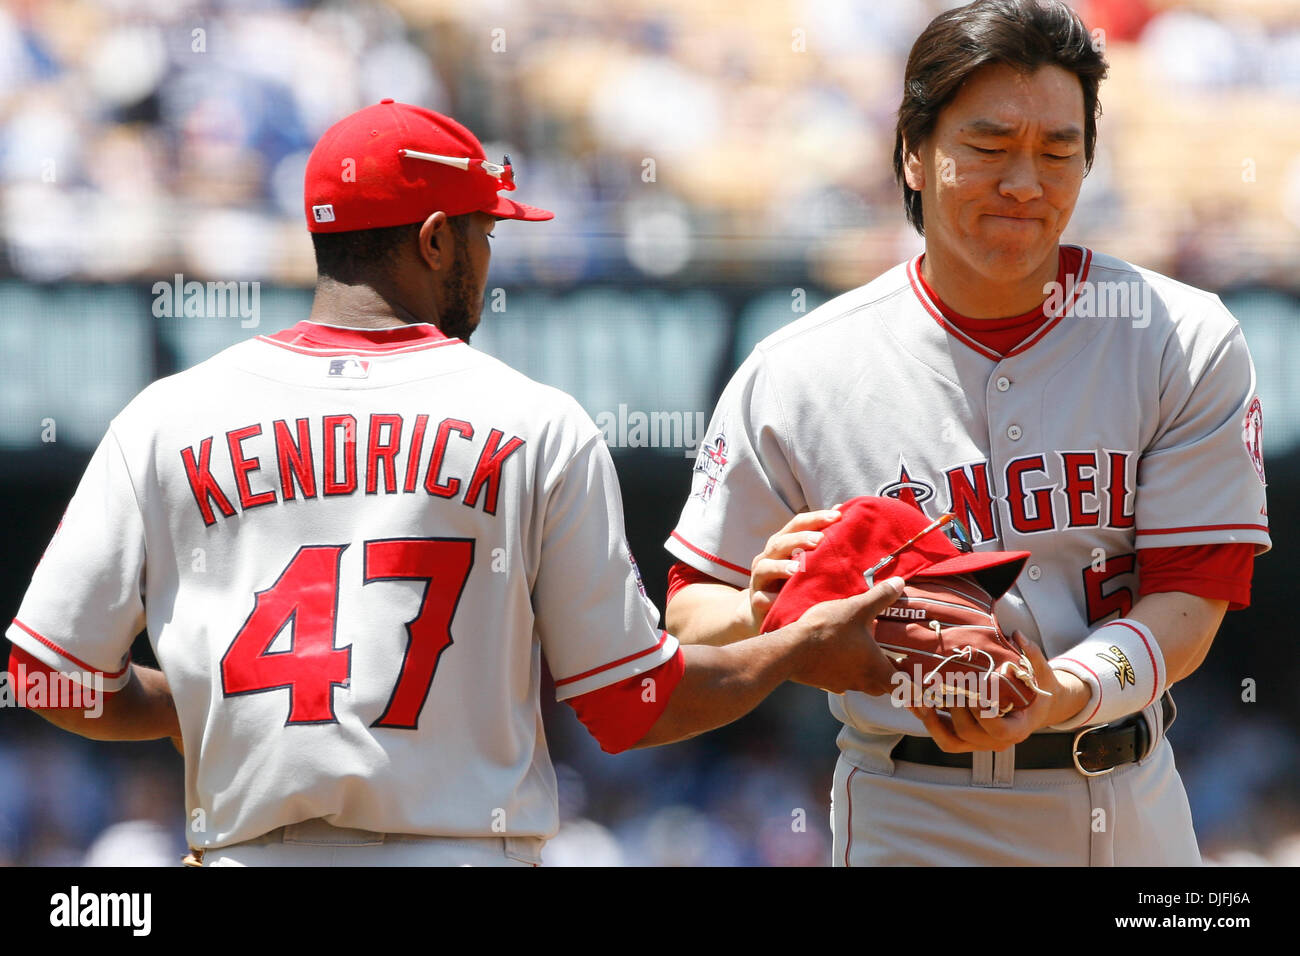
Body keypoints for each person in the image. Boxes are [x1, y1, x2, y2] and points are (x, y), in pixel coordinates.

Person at [5, 100, 905, 867]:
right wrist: (792, 649)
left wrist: (195, 703)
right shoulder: (532, 421)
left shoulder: (167, 415)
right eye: (483, 231)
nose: (489, 254)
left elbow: (44, 674)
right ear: (436, 240)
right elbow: (634, 704)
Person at [663, 0, 1269, 866]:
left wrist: (1061, 690)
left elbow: (1190, 601)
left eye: (1058, 151)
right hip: (912, 804)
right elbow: (692, 616)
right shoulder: (800, 367)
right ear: (914, 153)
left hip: (1127, 794)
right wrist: (772, 619)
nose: (1026, 181)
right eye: (989, 147)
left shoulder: (1181, 336)